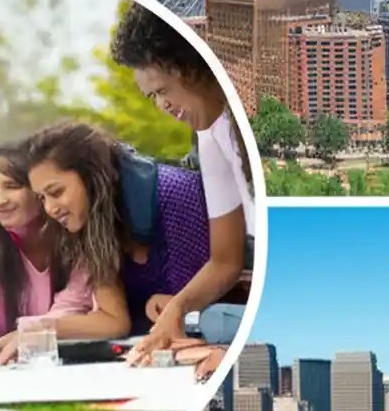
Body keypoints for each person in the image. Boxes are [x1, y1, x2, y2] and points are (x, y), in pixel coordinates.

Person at [109, 3, 255, 361]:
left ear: (191, 66)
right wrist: (177, 309)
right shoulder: (209, 138)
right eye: (152, 97)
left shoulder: (250, 124)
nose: (163, 106)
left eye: (162, 90)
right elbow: (224, 261)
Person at [25, 122, 244, 340]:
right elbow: (114, 320)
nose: (50, 209)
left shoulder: (177, 195)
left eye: (56, 192)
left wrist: (172, 306)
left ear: (91, 176)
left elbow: (190, 307)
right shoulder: (89, 227)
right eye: (42, 198)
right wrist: (29, 332)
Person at [0, 144, 132, 366]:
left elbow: (68, 312)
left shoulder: (74, 234)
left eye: (12, 186)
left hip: (59, 337)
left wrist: (28, 333)